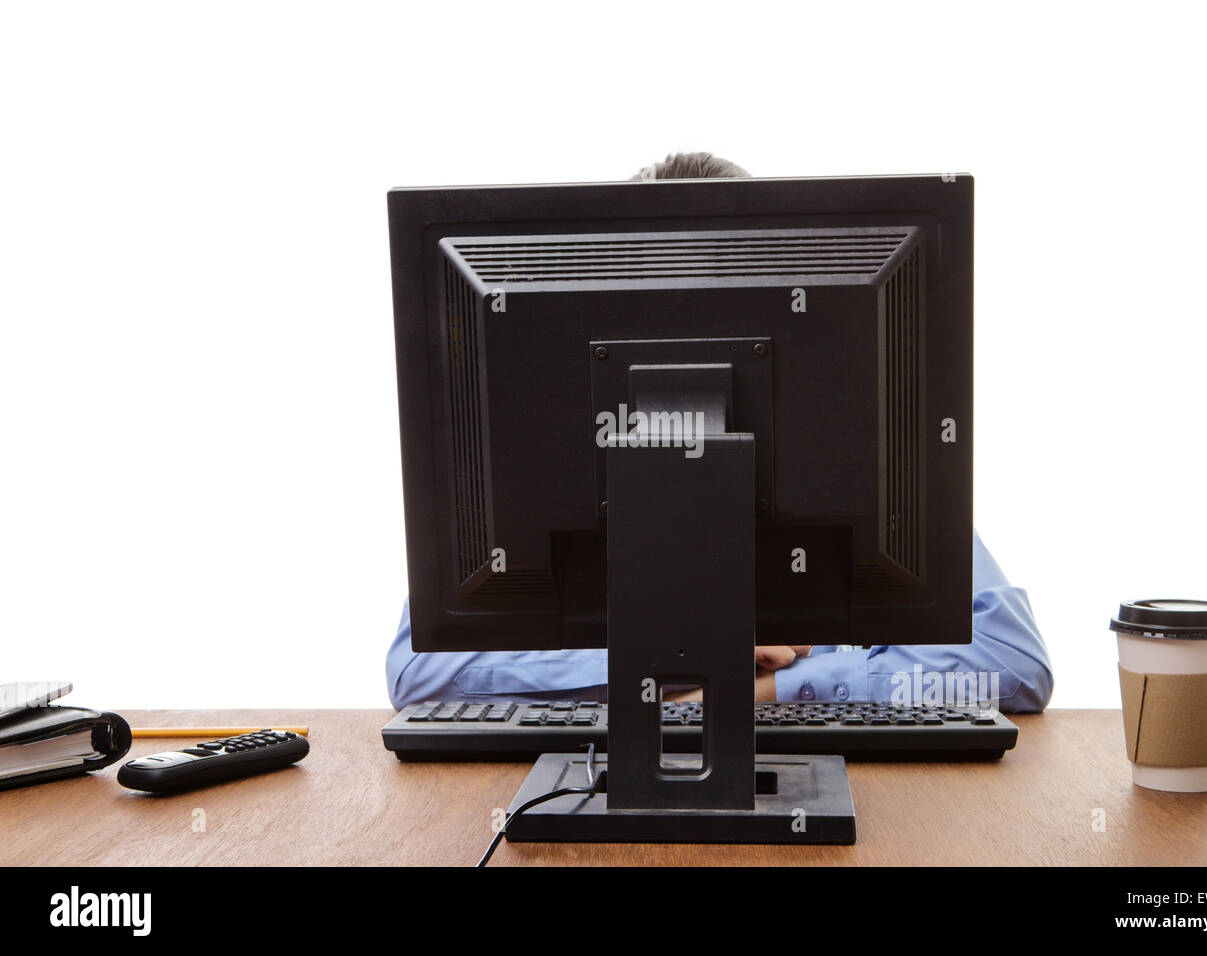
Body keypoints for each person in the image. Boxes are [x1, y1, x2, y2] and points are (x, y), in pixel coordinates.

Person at [387, 153, 1054, 714]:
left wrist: (778, 687)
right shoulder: (535, 463)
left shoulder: (873, 456)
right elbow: (421, 674)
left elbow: (1010, 663)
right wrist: (675, 657)